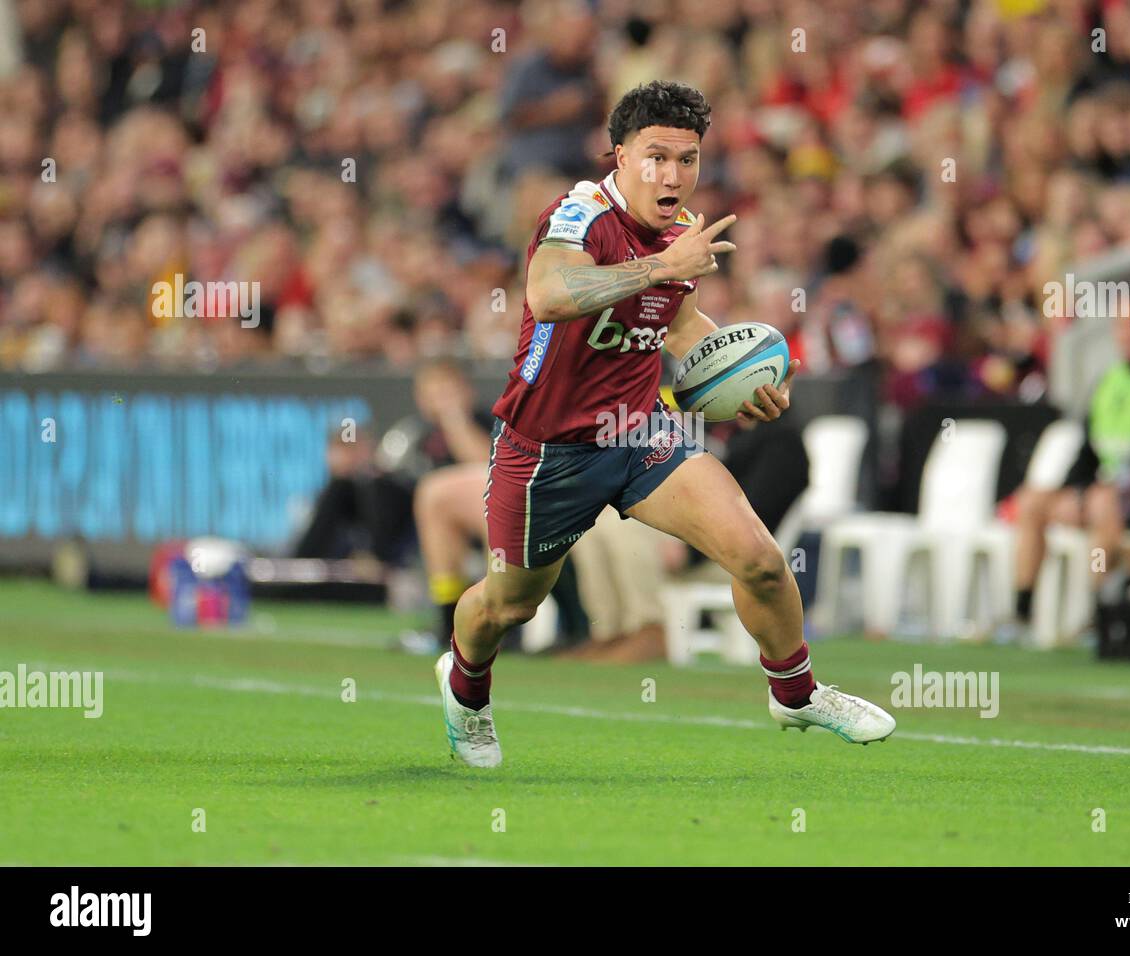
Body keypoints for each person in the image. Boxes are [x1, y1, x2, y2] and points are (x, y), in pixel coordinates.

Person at [434, 81, 895, 767]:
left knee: (761, 560)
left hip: (641, 433)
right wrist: (660, 265)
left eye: (687, 159)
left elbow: (677, 323)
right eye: (656, 156)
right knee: (508, 605)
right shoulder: (579, 214)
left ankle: (795, 691)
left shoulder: (681, 236)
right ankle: (465, 687)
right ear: (619, 155)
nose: (673, 174)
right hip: (547, 452)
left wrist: (741, 377)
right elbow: (550, 294)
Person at [1011, 307, 1130, 624]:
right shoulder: (1109, 379)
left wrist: (1109, 489)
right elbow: (1086, 450)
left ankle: (1099, 606)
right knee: (1031, 501)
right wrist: (1076, 491)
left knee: (1105, 504)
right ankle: (1023, 606)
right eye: (1123, 326)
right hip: (1098, 486)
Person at [294, 358, 491, 568]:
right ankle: (301, 566)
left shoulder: (484, 423)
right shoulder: (414, 431)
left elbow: (484, 469)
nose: (439, 402)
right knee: (345, 486)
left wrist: (454, 418)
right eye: (432, 395)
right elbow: (386, 467)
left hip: (453, 510)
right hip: (406, 506)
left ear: (466, 392)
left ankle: (381, 564)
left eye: (446, 393)